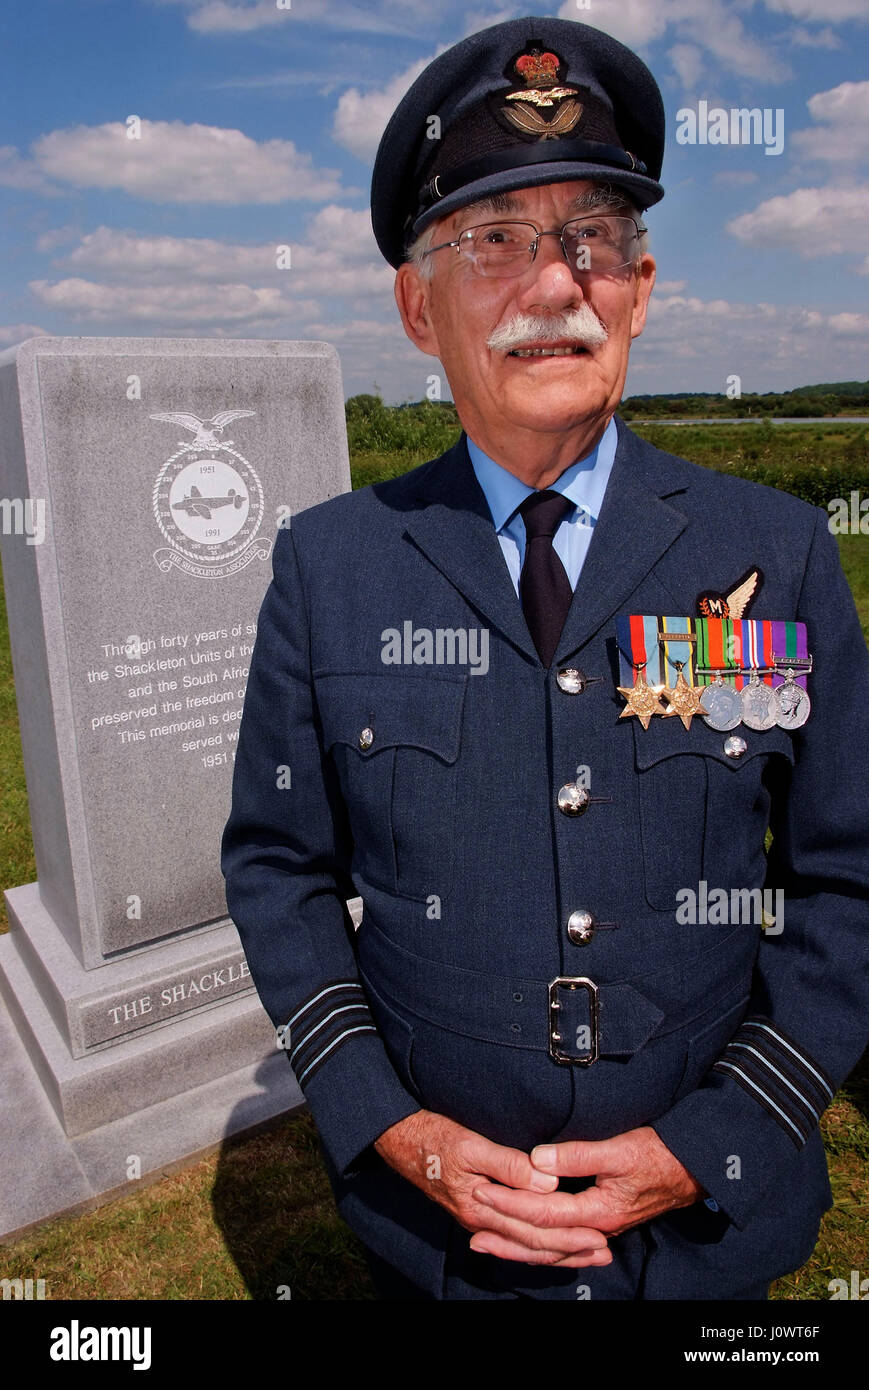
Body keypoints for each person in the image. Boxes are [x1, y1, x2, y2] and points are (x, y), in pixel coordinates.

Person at [220, 16, 869, 1300]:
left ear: (639, 288)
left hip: (710, 1235)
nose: (554, 283)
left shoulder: (775, 554)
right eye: (494, 242)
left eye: (594, 241)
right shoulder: (331, 566)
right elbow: (280, 873)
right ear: (416, 306)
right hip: (438, 1235)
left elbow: (844, 881)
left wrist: (714, 1140)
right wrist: (386, 1123)